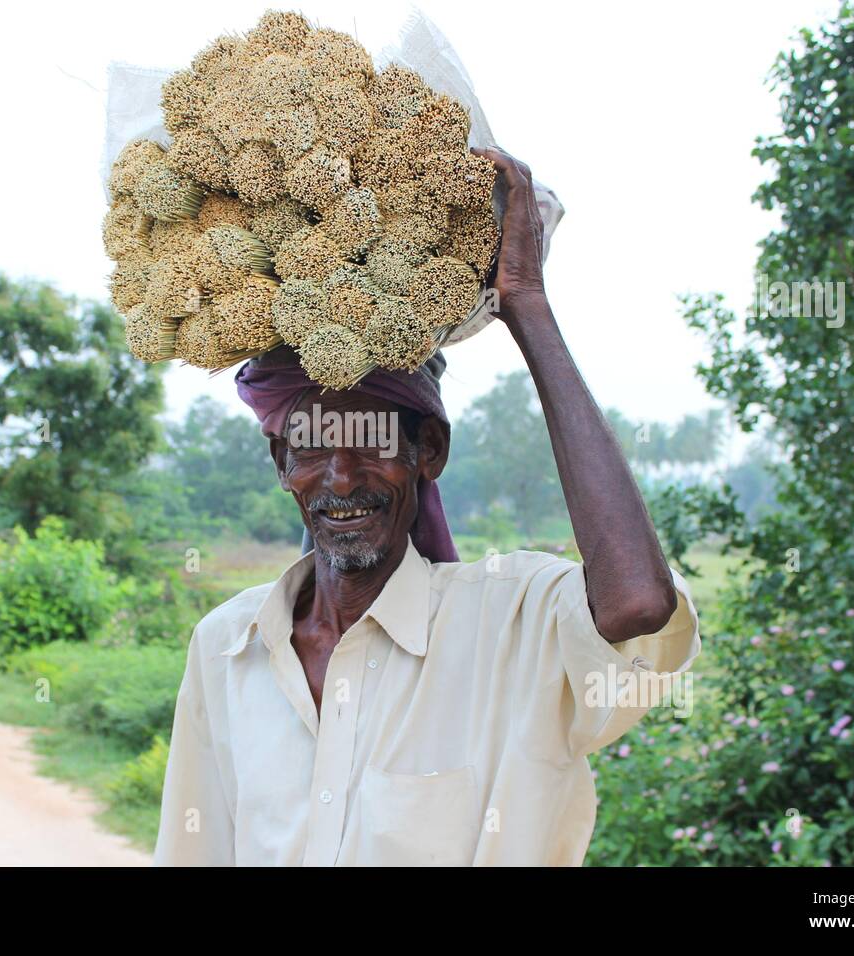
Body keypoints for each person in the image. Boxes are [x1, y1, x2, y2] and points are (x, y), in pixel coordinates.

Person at [154, 147, 701, 866]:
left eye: (374, 442)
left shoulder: (510, 625)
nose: (342, 476)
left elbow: (637, 604)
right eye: (315, 445)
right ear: (281, 463)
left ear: (429, 452)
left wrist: (527, 306)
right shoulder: (227, 647)